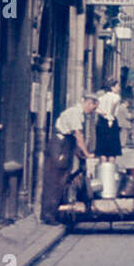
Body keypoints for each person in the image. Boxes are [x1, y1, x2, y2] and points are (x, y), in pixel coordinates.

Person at [41, 95, 99, 223]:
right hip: (60, 146)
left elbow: (75, 138)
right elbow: (78, 135)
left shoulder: (78, 114)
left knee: (63, 180)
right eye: (93, 108)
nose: (92, 111)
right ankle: (48, 214)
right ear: (89, 103)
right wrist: (86, 153)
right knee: (55, 179)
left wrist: (80, 154)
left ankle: (56, 212)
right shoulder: (75, 113)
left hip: (66, 145)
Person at [95, 80, 123, 161]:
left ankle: (103, 168)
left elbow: (96, 108)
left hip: (101, 121)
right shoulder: (116, 97)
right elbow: (112, 108)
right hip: (112, 121)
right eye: (118, 86)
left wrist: (103, 114)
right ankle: (110, 169)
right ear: (112, 87)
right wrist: (109, 117)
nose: (119, 88)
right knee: (112, 150)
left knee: (102, 148)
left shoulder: (101, 98)